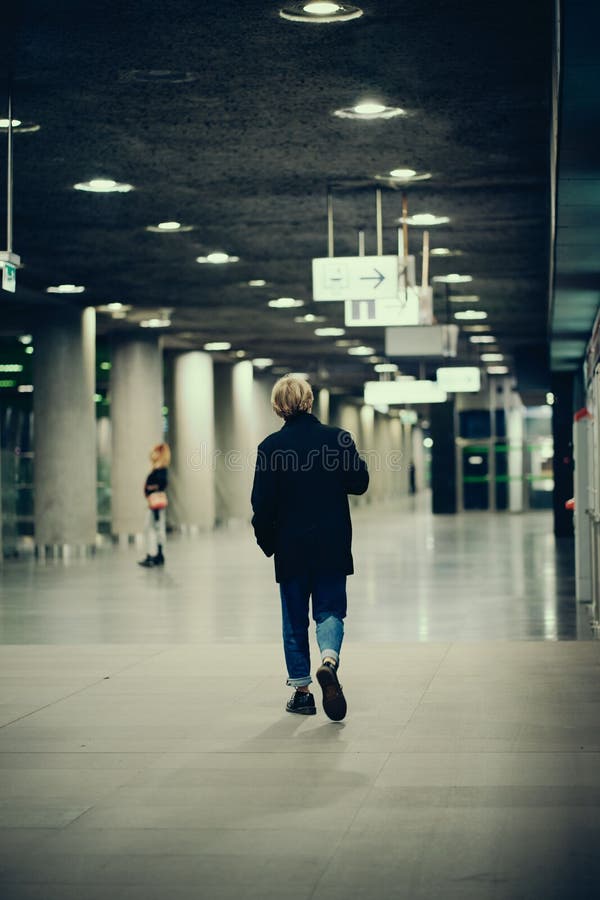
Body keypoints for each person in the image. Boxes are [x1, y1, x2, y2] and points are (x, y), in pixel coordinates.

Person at [251, 375, 369, 721]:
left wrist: (267, 542)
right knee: (330, 609)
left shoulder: (270, 447)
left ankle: (302, 693)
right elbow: (359, 483)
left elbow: (261, 503)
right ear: (310, 401)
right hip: (332, 542)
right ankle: (329, 660)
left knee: (294, 619)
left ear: (277, 406)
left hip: (291, 545)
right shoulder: (337, 438)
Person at [138, 442, 170, 568]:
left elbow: (161, 484)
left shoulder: (161, 470)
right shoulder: (156, 469)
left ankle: (155, 554)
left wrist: (150, 488)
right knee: (153, 528)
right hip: (153, 503)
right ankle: (155, 554)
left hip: (157, 504)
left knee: (154, 528)